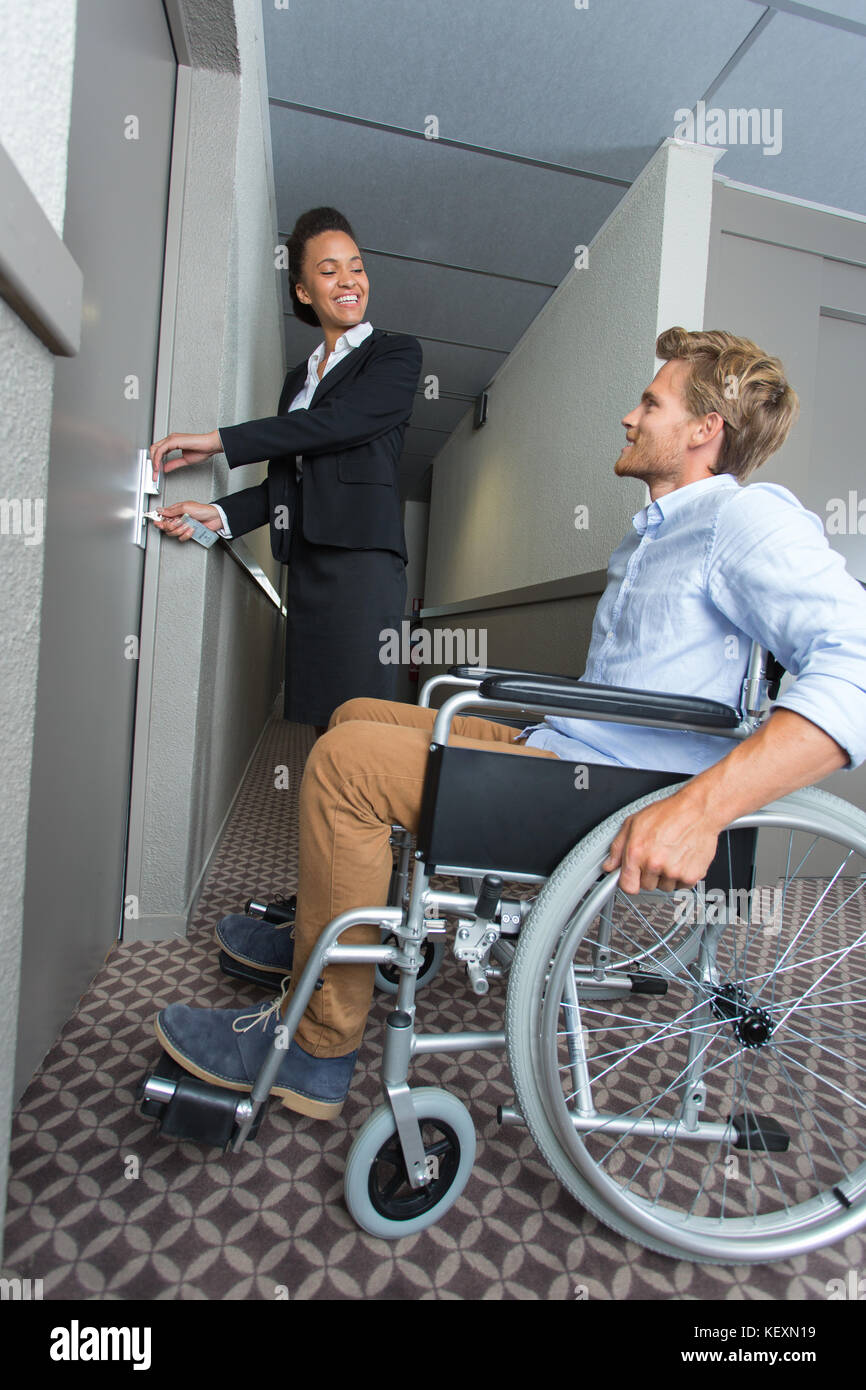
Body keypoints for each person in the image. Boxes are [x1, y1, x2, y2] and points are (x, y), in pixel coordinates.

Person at [153, 326, 866, 1119]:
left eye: (650, 403)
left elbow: (855, 663)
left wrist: (702, 810)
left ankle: (317, 1049)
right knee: (353, 716)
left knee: (346, 767)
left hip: (613, 796)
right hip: (564, 749)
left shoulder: (746, 520)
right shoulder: (658, 533)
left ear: (705, 431)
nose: (629, 418)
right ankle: (327, 938)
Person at [149, 207, 423, 730]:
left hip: (362, 557)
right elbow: (291, 478)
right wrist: (220, 514)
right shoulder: (298, 380)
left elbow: (337, 425)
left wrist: (219, 441)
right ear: (303, 291)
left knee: (361, 718)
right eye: (329, 270)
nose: (348, 281)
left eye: (357, 266)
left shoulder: (394, 355)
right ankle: (331, 811)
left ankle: (370, 812)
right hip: (308, 561)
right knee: (323, 719)